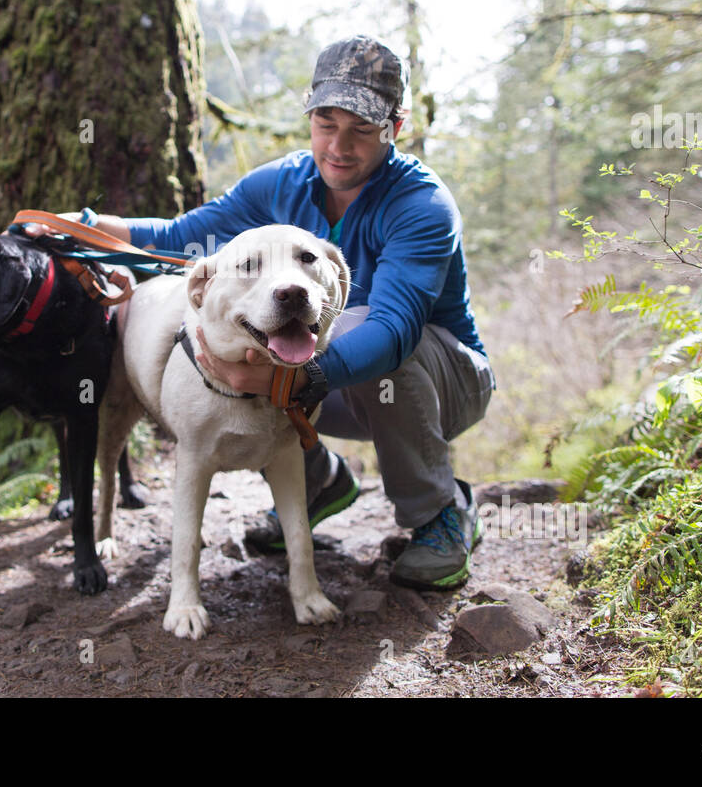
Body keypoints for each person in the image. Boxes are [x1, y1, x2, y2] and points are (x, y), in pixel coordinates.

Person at [41, 35, 494, 590]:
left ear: (394, 128)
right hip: (329, 380)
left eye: (362, 128)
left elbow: (395, 331)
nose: (339, 146)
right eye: (326, 123)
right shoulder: (281, 183)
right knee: (248, 337)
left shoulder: (422, 206)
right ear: (309, 118)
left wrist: (300, 377)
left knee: (354, 329)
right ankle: (318, 479)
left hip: (444, 380)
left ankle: (438, 511)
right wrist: (73, 225)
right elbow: (181, 238)